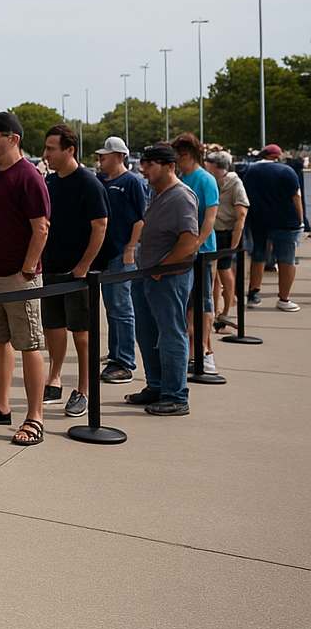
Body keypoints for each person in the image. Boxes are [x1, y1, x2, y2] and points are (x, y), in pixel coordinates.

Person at [0, 111, 51, 447]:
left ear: (12, 138)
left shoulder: (29, 176)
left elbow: (41, 227)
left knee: (30, 344)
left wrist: (29, 267)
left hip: (20, 277)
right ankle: (1, 405)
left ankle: (35, 417)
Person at [39, 124, 109, 419]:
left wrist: (83, 265)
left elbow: (100, 225)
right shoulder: (50, 183)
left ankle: (84, 389)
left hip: (78, 273)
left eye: (51, 149)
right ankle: (54, 377)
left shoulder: (89, 183)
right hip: (50, 269)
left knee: (81, 334)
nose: (46, 155)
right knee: (52, 329)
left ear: (70, 150)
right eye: (45, 149)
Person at [125, 144, 199, 416]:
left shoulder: (181, 196)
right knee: (146, 333)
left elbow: (189, 241)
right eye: (144, 163)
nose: (143, 169)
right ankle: (156, 385)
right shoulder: (157, 193)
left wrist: (161, 268)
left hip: (169, 279)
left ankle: (176, 395)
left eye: (150, 163)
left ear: (169, 165)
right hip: (148, 276)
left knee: (171, 334)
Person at [95, 137, 146, 384]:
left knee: (121, 307)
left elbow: (140, 219)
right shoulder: (102, 181)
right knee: (111, 307)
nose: (101, 159)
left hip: (121, 252)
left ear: (119, 156)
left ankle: (125, 360)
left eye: (105, 155)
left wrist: (131, 247)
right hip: (105, 253)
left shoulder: (132, 182)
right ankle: (116, 354)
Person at [172, 133, 220, 374]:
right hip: (183, 253)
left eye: (178, 157)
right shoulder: (182, 178)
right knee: (188, 305)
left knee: (202, 302)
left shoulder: (206, 180)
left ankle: (204, 351)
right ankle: (194, 351)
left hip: (201, 253)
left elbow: (210, 218)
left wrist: (197, 245)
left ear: (187, 155)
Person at [241, 144, 303, 312]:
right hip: (285, 220)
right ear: (276, 156)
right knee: (286, 259)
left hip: (258, 219)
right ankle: (284, 299)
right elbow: (296, 196)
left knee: (258, 256)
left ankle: (253, 294)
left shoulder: (250, 171)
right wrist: (301, 220)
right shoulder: (286, 171)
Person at [205, 151, 248, 332]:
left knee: (224, 272)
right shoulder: (211, 180)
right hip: (212, 232)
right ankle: (212, 311)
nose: (205, 165)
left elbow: (241, 213)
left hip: (226, 233)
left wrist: (234, 243)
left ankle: (226, 311)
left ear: (217, 166)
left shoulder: (234, 182)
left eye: (209, 163)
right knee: (212, 276)